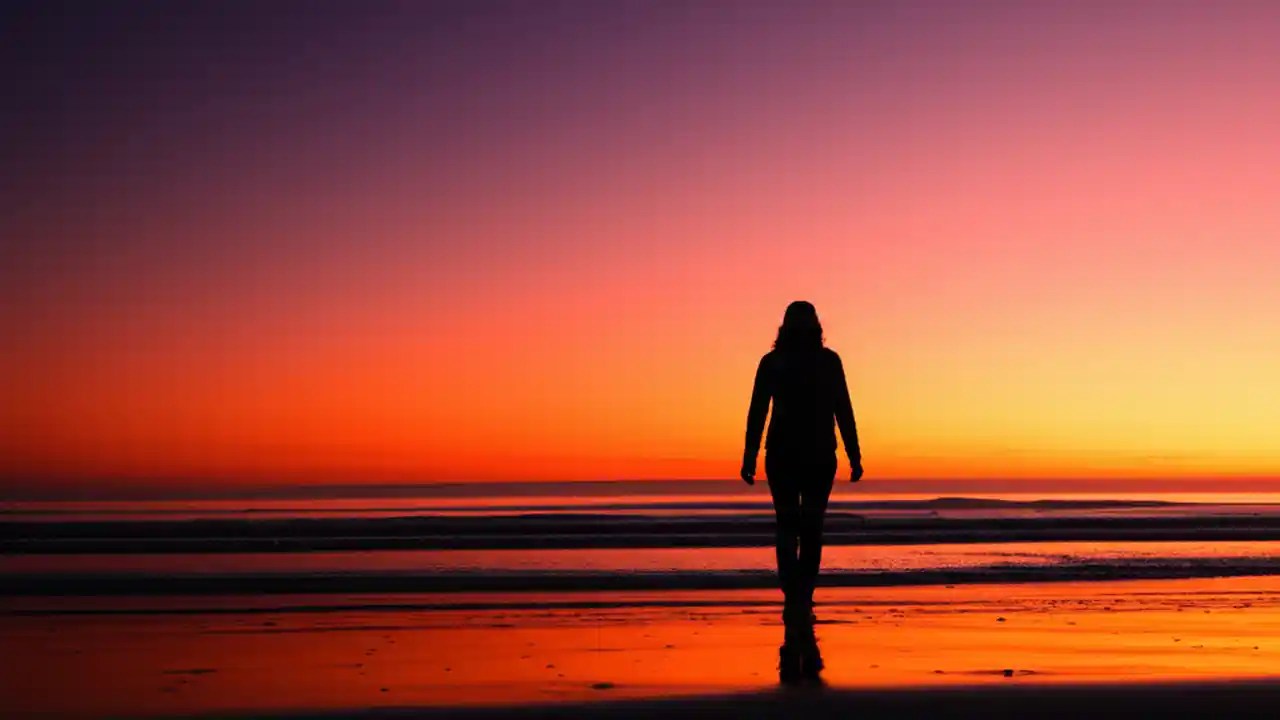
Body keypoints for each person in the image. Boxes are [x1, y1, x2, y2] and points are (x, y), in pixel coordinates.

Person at [740, 300, 862, 621]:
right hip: (804, 456)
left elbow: (842, 408)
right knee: (807, 527)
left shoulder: (778, 362)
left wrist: (854, 453)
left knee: (793, 526)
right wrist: (854, 454)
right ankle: (800, 592)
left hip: (798, 455)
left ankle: (796, 593)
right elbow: (758, 411)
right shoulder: (813, 362)